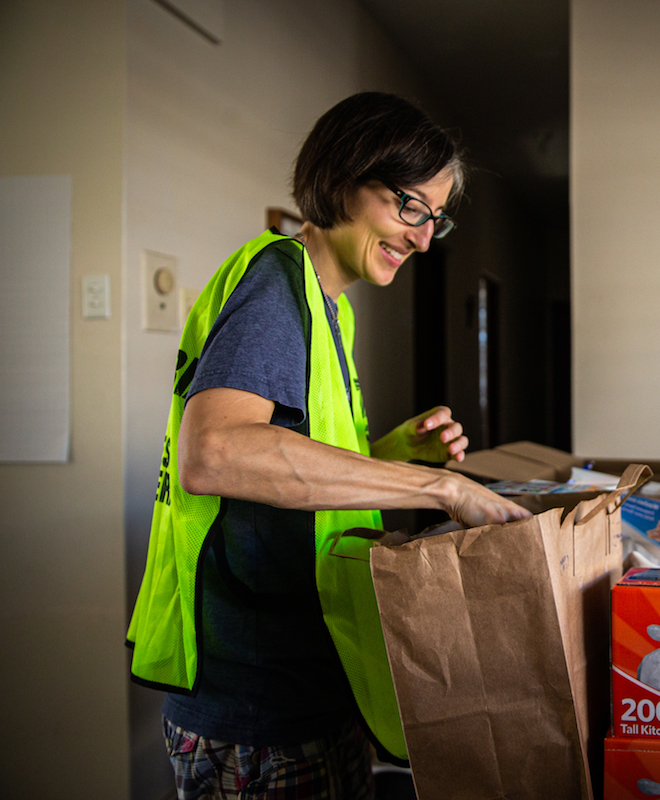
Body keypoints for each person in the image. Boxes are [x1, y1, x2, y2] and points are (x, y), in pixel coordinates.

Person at [126, 92, 530, 798]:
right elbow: (215, 453)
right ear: (348, 178)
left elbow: (283, 468)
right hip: (258, 701)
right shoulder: (275, 284)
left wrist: (394, 452)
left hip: (312, 679)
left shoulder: (325, 306)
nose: (424, 237)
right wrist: (440, 488)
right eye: (411, 208)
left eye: (437, 218)